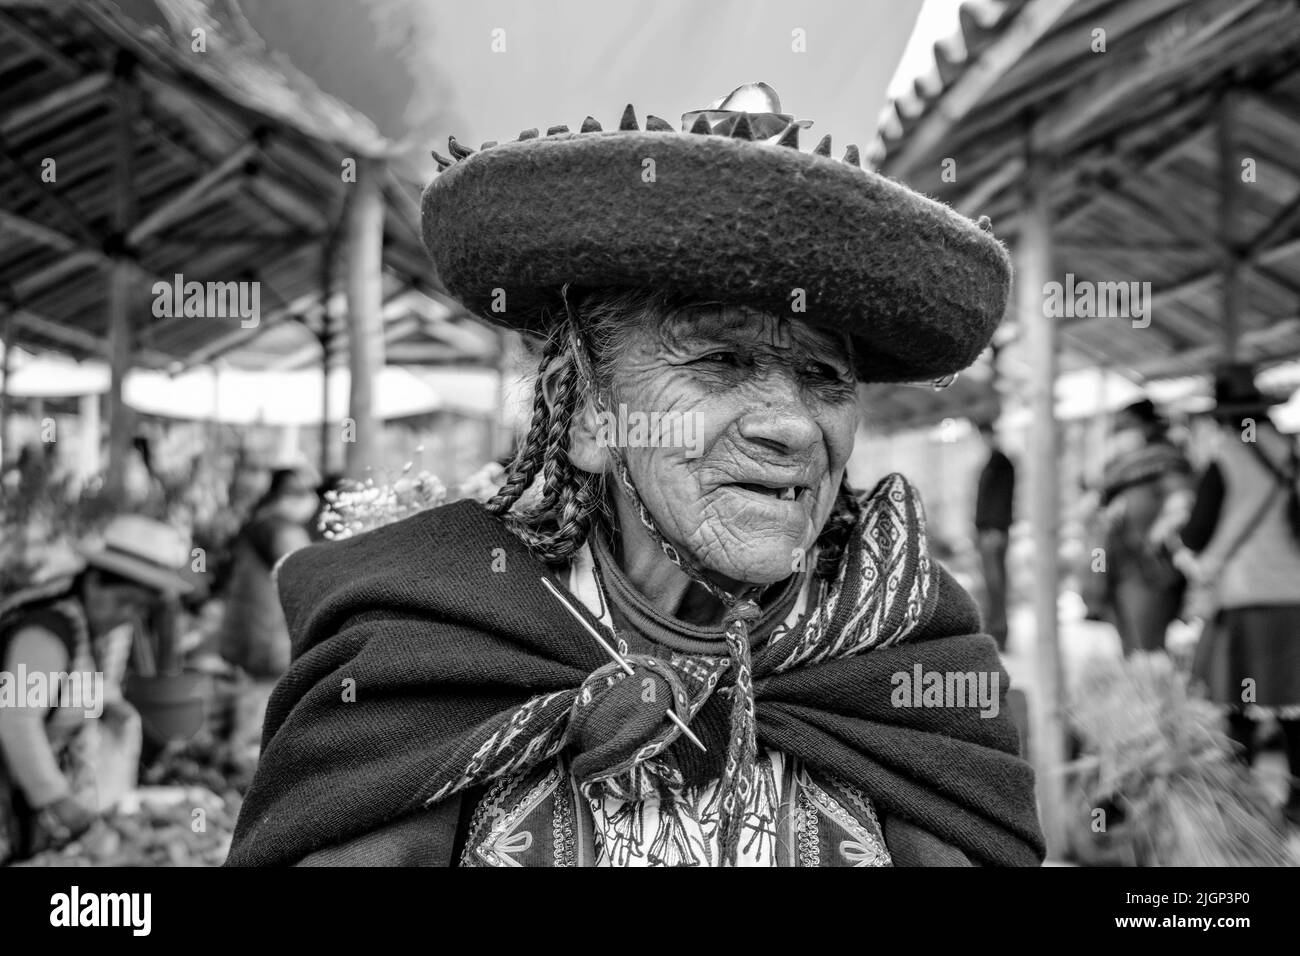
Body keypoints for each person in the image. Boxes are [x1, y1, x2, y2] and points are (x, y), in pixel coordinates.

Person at [226, 83, 1044, 867]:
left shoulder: (911, 658)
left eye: (826, 379)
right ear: (588, 415)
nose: (794, 426)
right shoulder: (430, 651)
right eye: (722, 361)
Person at [0, 515, 193, 863]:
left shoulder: (93, 631)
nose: (127, 614)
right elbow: (16, 720)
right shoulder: (44, 633)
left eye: (139, 607)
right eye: (123, 601)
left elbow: (82, 689)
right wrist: (56, 799)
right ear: (92, 582)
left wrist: (110, 706)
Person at [1176, 365, 1300, 824]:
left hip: (1246, 596)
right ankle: (1297, 803)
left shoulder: (1227, 456)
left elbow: (1196, 534)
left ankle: (1241, 803)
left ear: (1222, 416)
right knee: (1294, 708)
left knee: (1239, 705)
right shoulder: (1292, 449)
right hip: (1295, 596)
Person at [216, 467, 317, 764]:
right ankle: (246, 775)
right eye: (303, 493)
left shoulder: (256, 522)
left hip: (249, 633)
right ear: (287, 495)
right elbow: (307, 576)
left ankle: (238, 765)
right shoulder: (283, 531)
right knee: (261, 713)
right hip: (268, 636)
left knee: (251, 704)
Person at [1092, 398, 1194, 654]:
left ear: (1148, 427)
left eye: (1128, 426)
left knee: (1147, 647)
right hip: (1118, 567)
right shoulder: (1121, 470)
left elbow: (1183, 502)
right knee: (1130, 647)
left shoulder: (1167, 462)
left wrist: (1161, 532)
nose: (1122, 433)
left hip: (1150, 569)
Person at [973, 421, 1015, 650]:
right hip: (988, 531)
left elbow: (1000, 500)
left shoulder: (1001, 462)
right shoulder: (993, 461)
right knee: (992, 586)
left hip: (993, 532)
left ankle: (999, 634)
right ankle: (995, 633)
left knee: (996, 585)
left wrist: (995, 528)